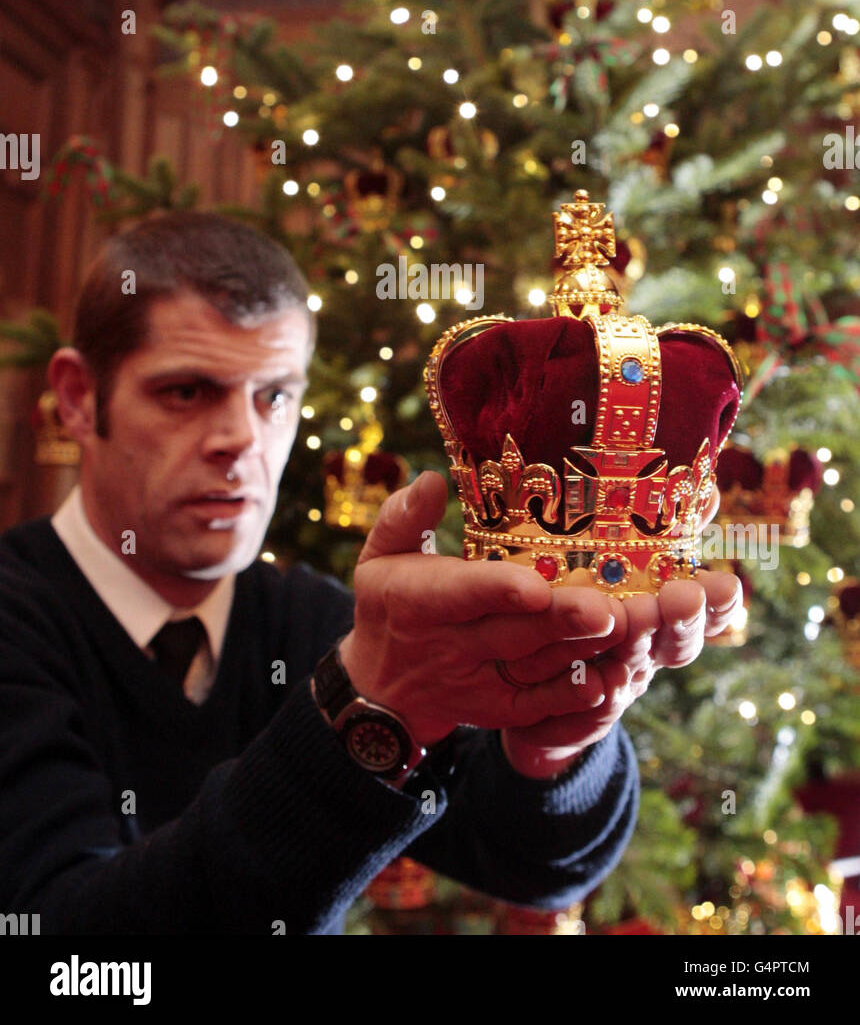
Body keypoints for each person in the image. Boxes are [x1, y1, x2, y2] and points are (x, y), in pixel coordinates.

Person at [0, 212, 741, 935]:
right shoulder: (20, 620)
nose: (241, 440)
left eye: (274, 396)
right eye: (186, 392)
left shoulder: (310, 619)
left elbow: (536, 866)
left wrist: (555, 733)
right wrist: (363, 710)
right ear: (76, 397)